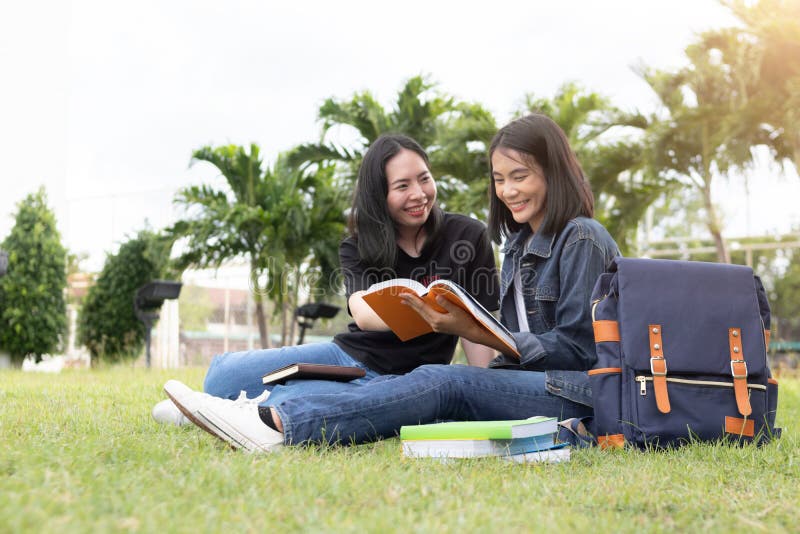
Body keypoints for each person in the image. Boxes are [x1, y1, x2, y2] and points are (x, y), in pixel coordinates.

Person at [169, 113, 621, 453]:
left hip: (576, 392)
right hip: (519, 381)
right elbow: (363, 310)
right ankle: (246, 409)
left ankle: (274, 424)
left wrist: (476, 338)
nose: (506, 192)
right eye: (499, 179)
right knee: (438, 383)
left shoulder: (581, 236)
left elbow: (583, 350)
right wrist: (484, 344)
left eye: (519, 177)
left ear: (553, 172)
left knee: (443, 383)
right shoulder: (521, 246)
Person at [154, 133, 499, 427]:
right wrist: (428, 310)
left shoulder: (468, 236)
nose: (419, 194)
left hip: (404, 380)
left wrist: (482, 387)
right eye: (402, 186)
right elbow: (362, 312)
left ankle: (222, 414)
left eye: (424, 178)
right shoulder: (359, 243)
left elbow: (480, 325)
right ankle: (221, 407)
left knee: (296, 397)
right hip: (347, 356)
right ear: (379, 195)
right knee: (221, 375)